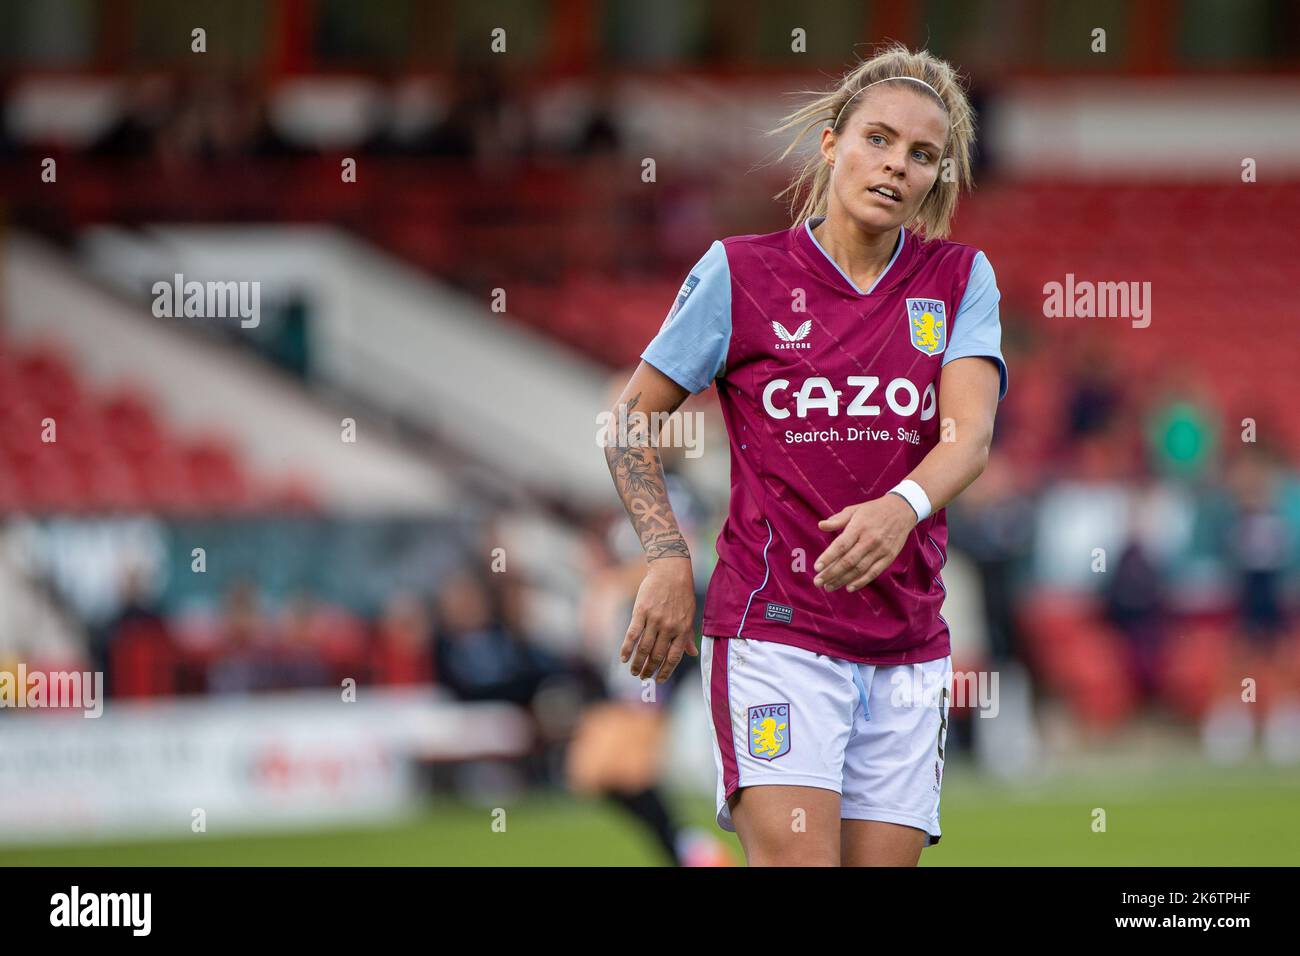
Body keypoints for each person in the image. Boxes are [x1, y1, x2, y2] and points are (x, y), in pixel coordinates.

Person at [600, 44, 1007, 866]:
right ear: (832, 142)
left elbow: (968, 437)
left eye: (922, 155)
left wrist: (903, 507)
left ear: (938, 177)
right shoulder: (740, 273)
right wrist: (667, 556)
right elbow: (629, 422)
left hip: (907, 644)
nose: (896, 166)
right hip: (774, 635)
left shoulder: (961, 279)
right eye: (879, 139)